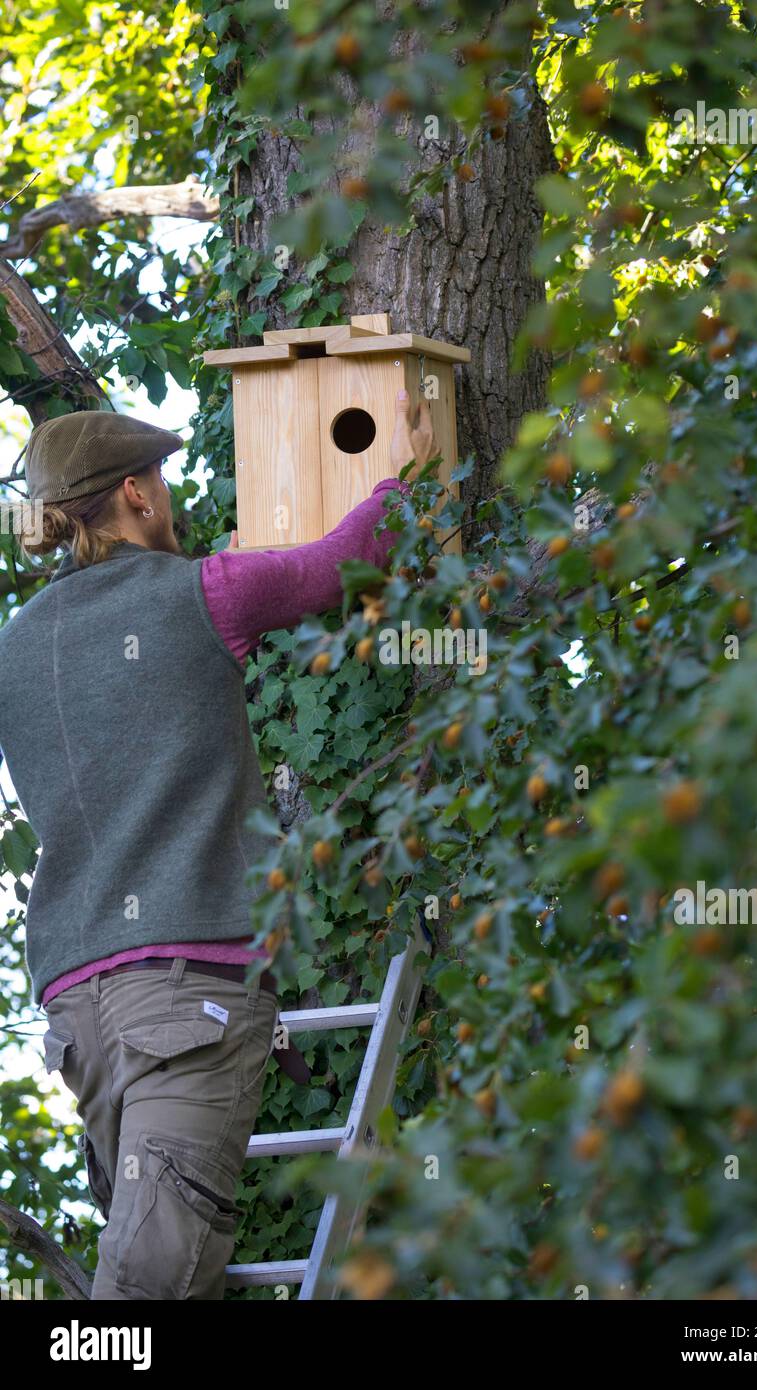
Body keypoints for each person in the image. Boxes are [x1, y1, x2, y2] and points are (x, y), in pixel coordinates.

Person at [0, 391, 437, 1299]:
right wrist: (405, 472)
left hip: (80, 1016)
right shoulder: (202, 591)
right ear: (136, 494)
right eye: (159, 479)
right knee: (150, 1288)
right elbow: (344, 565)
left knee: (156, 1266)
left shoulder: (12, 650)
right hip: (184, 997)